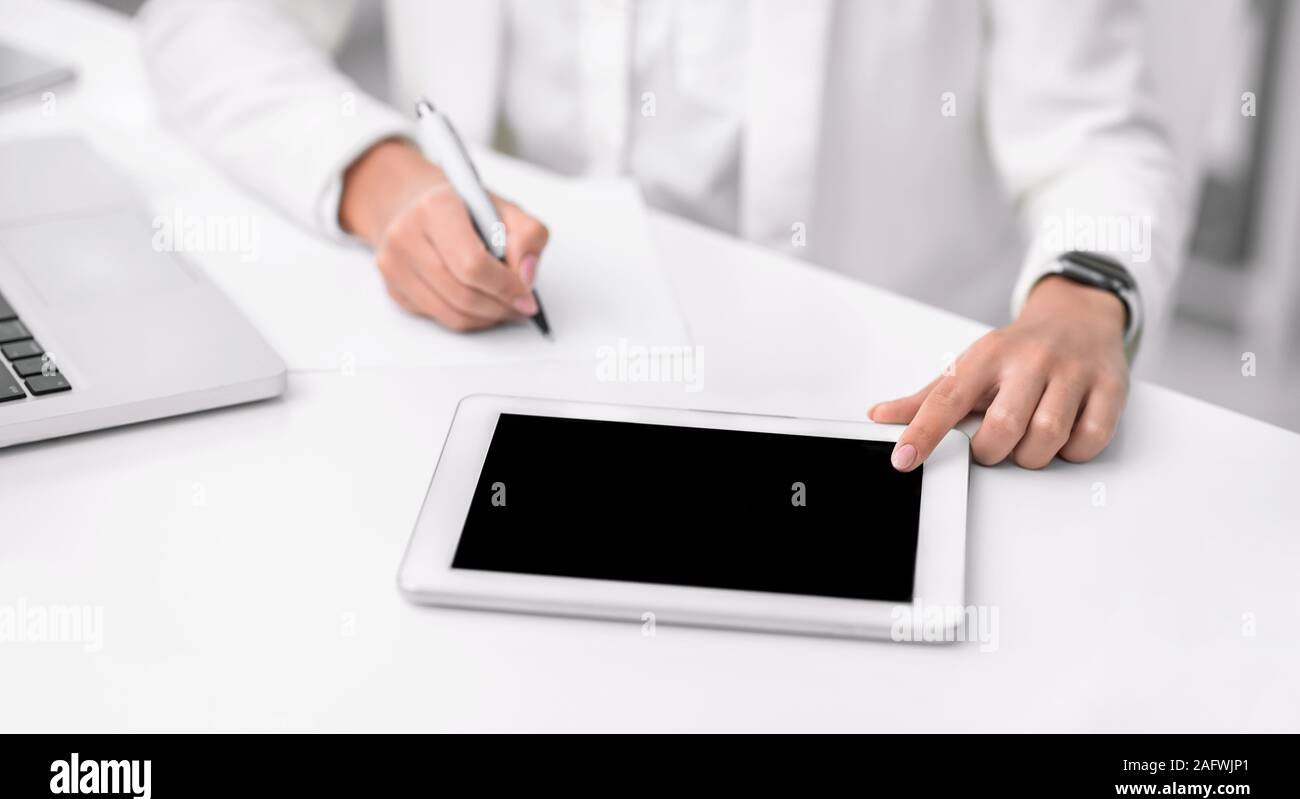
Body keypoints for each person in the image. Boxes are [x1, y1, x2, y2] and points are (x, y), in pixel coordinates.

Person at [138, 0, 1189, 471]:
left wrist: (1084, 292)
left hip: (893, 426)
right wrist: (380, 176)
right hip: (509, 385)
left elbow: (1095, 136)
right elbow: (204, 22)